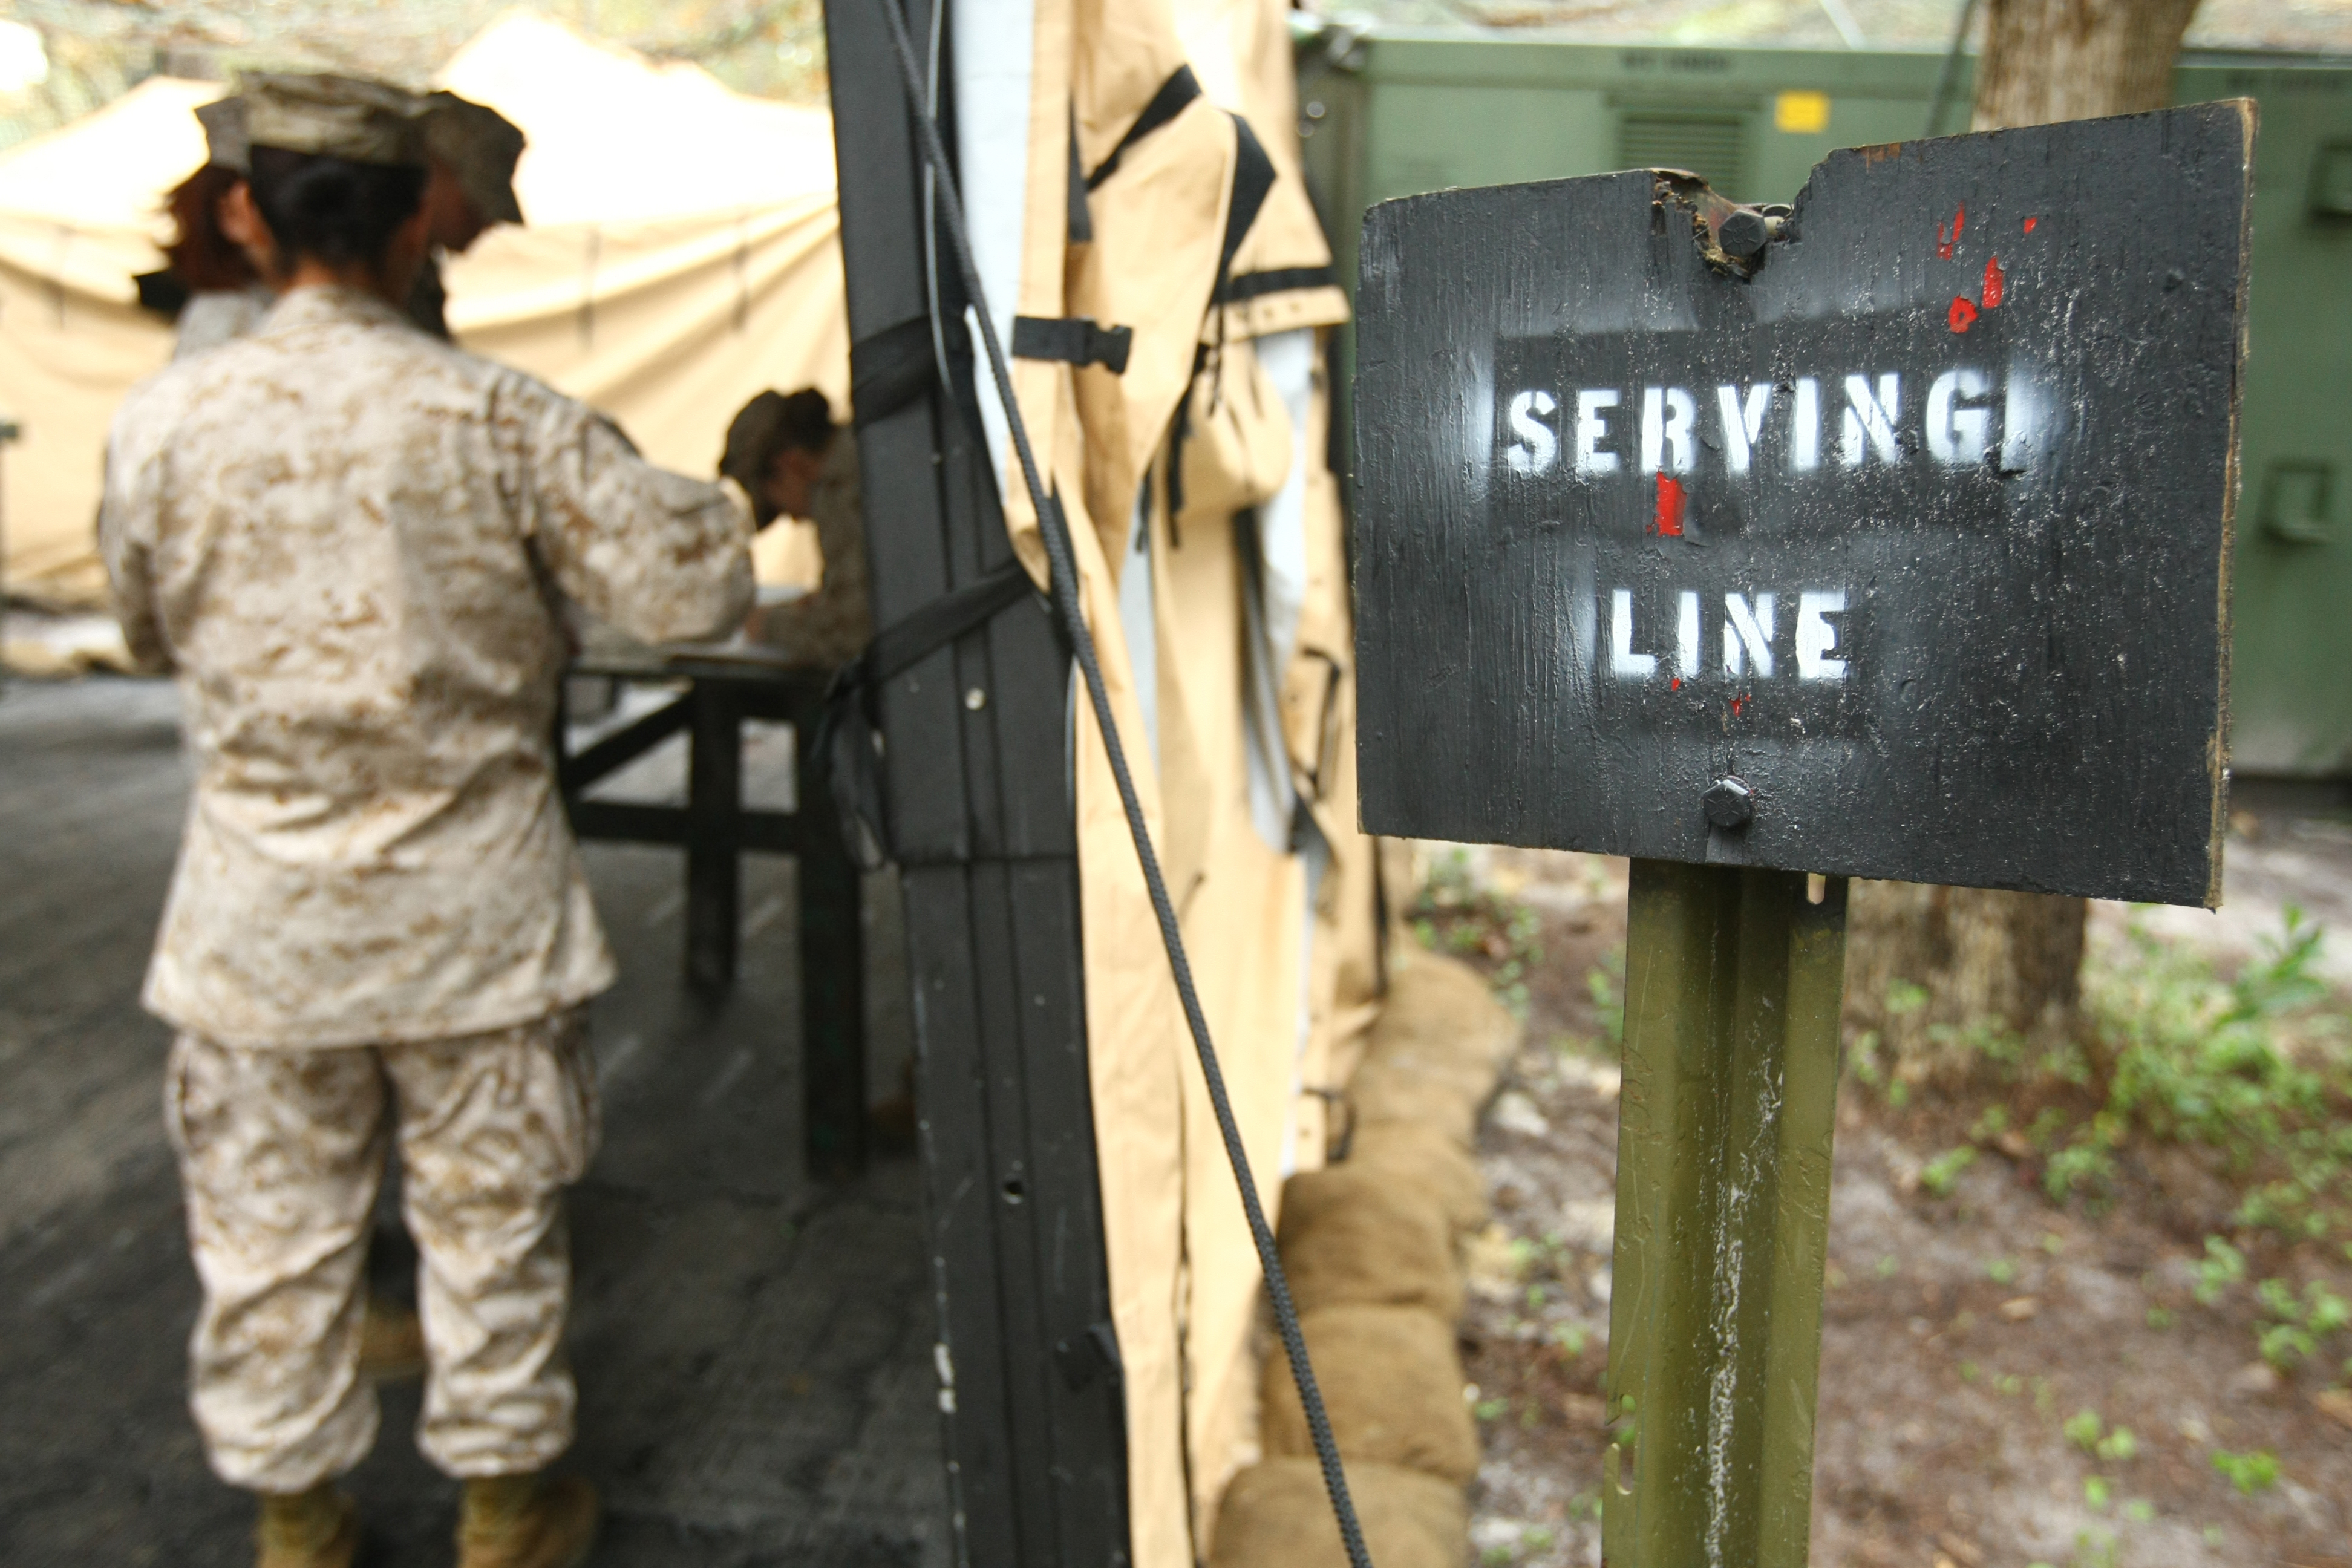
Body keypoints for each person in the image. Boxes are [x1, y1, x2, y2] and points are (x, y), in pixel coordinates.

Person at [100, 73, 753, 1568]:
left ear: (251, 216)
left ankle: (297, 1524)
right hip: (479, 921)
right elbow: (690, 592)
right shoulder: (500, 416)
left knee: (269, 1241)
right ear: (418, 228)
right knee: (490, 1224)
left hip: (258, 926)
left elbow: (144, 634)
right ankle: (505, 1514)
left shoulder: (164, 424)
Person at [722, 387, 872, 666]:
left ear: (790, 465)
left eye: (777, 505)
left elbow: (850, 634)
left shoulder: (840, 489)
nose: (793, 519)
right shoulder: (860, 451)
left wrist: (766, 625)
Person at [407, 90, 527, 339]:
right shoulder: (369, 272)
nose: (487, 222)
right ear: (435, 174)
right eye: (475, 203)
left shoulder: (416, 273)